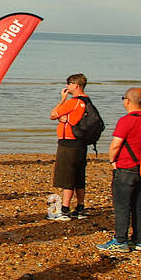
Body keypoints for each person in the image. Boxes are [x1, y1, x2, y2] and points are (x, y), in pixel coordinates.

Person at [98, 87, 141, 255]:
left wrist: (112, 160)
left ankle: (120, 240)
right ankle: (140, 240)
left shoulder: (126, 120)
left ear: (127, 101)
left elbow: (116, 144)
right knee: (139, 204)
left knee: (122, 206)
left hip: (126, 167)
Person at [49, 73, 91, 220]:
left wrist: (62, 99)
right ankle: (80, 207)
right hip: (81, 142)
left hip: (68, 142)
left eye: (69, 83)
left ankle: (64, 209)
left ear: (76, 85)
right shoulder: (87, 101)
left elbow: (53, 114)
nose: (67, 86)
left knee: (67, 177)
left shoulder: (73, 102)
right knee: (79, 176)